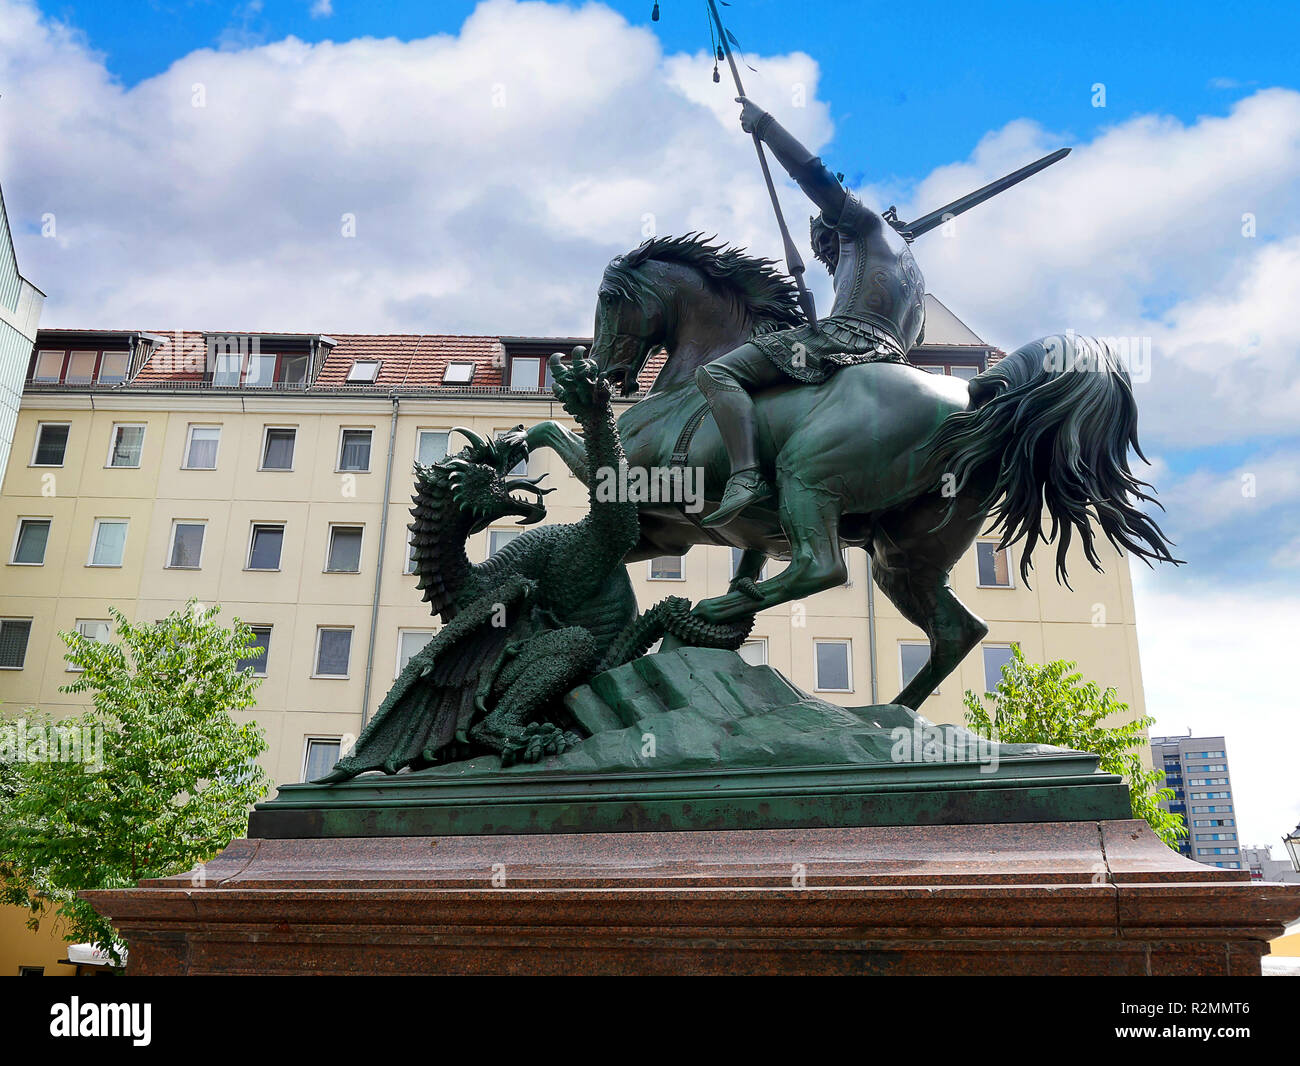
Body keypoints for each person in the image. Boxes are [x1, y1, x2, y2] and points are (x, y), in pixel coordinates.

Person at [696, 95, 928, 527]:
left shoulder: (863, 224)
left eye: (826, 243)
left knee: (716, 373)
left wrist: (764, 125)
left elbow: (813, 173)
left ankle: (745, 476)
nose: (825, 256)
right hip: (892, 358)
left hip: (846, 338)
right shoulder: (916, 279)